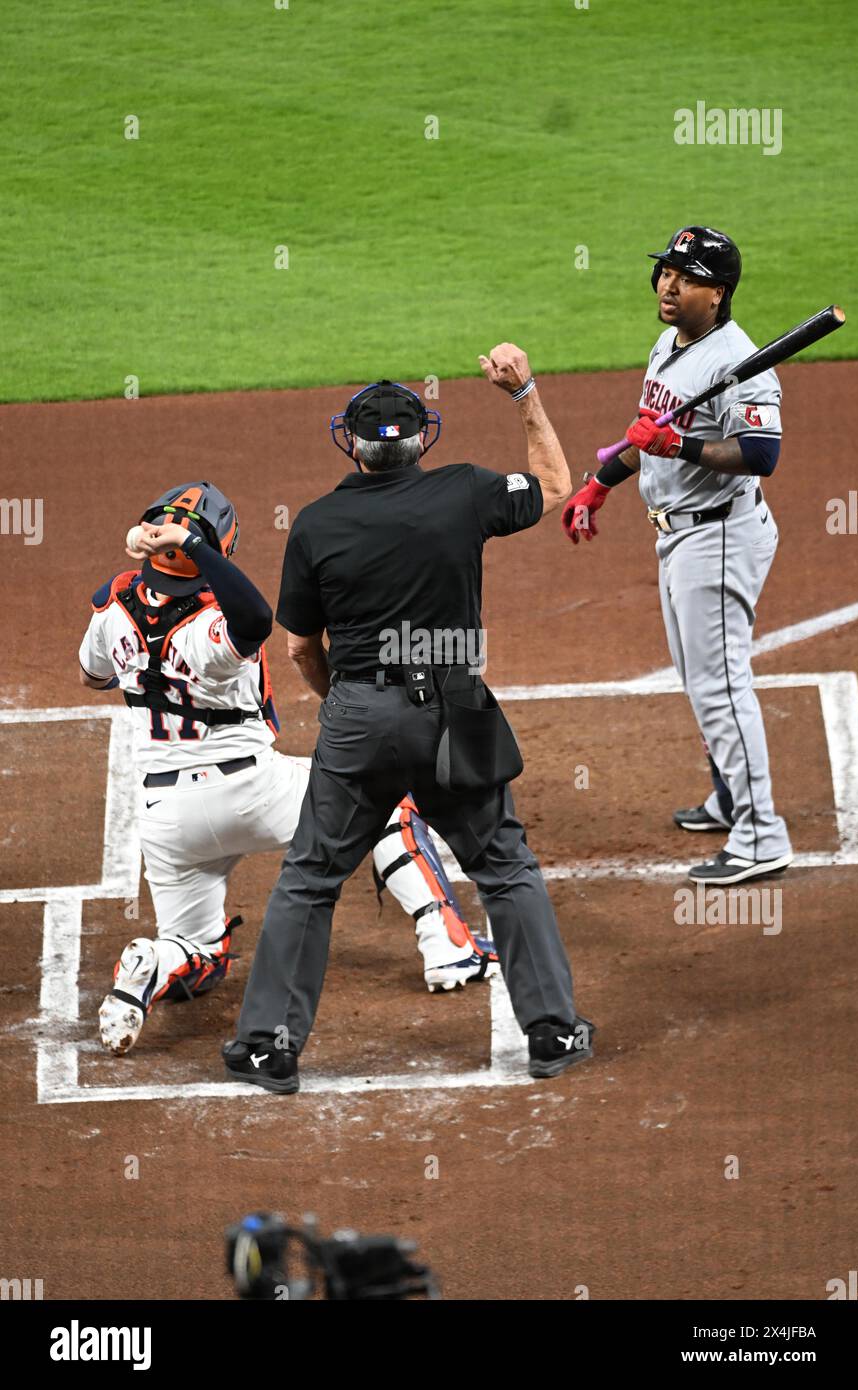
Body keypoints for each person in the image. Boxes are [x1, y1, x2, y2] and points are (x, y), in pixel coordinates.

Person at [223, 361, 595, 1095]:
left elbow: (300, 645)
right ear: (422, 441)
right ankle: (552, 1032)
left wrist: (348, 705)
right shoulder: (463, 492)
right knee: (504, 867)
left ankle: (270, 1046)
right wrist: (524, 395)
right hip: (453, 711)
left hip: (361, 717)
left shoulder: (319, 522)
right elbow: (554, 484)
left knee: (309, 879)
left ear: (353, 447)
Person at [78, 482, 496, 1057]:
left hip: (166, 820)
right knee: (385, 804)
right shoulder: (214, 622)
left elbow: (93, 673)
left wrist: (140, 574)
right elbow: (255, 619)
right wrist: (194, 551)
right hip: (251, 789)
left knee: (199, 958)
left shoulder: (112, 607)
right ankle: (448, 945)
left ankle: (152, 961)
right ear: (219, 544)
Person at [562, 226, 793, 885]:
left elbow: (760, 454)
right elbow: (647, 432)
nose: (668, 284)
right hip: (680, 534)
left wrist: (678, 449)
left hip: (719, 536)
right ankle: (730, 797)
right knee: (703, 679)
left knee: (719, 685)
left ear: (716, 294)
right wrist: (600, 485)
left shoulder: (742, 362)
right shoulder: (669, 344)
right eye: (665, 270)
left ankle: (760, 837)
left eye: (685, 277)